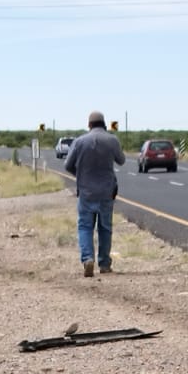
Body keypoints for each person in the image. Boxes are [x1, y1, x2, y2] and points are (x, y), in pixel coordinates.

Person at [62, 110, 125, 277]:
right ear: (104, 124)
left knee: (85, 226)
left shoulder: (79, 141)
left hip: (86, 192)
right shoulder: (112, 140)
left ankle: (88, 259)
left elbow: (68, 165)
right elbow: (122, 160)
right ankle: (104, 263)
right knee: (105, 228)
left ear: (89, 125)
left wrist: (80, 175)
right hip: (106, 192)